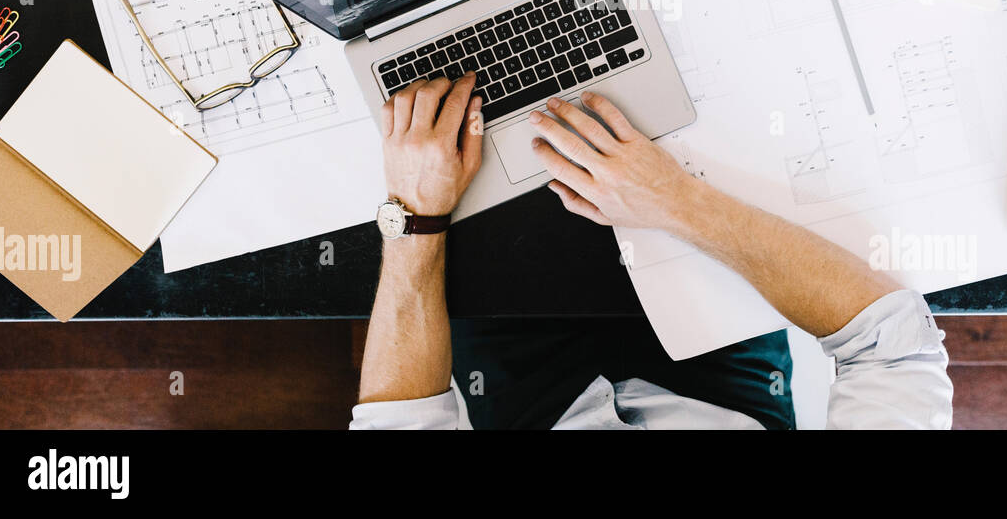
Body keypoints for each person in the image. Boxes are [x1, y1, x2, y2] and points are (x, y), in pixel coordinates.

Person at [351, 73, 953, 430]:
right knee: (689, 89)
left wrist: (418, 216)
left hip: (517, 395)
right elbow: (892, 347)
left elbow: (401, 423)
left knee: (445, 105)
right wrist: (672, 199)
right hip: (720, 376)